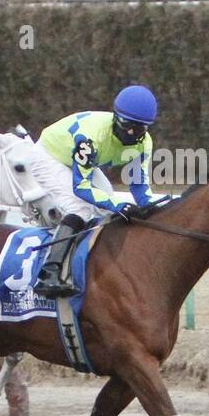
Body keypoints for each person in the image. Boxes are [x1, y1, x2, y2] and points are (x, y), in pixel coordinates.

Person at [31, 85, 165, 297]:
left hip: (79, 160)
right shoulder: (91, 137)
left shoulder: (144, 143)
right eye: (127, 125)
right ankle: (49, 273)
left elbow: (138, 184)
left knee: (106, 208)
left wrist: (150, 209)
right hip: (49, 156)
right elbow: (81, 187)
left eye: (139, 129)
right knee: (81, 210)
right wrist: (118, 205)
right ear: (115, 118)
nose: (131, 133)